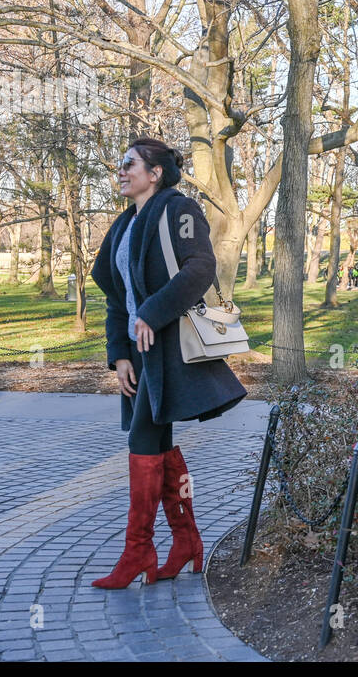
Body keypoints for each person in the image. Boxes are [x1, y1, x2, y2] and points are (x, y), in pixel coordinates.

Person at [89, 137, 247, 589]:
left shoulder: (179, 210)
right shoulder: (123, 227)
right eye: (121, 165)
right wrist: (118, 352)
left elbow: (200, 269)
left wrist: (153, 315)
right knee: (155, 444)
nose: (120, 171)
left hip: (172, 349)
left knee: (144, 440)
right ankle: (185, 543)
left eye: (128, 164)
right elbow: (118, 296)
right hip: (140, 352)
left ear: (155, 173)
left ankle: (140, 550)